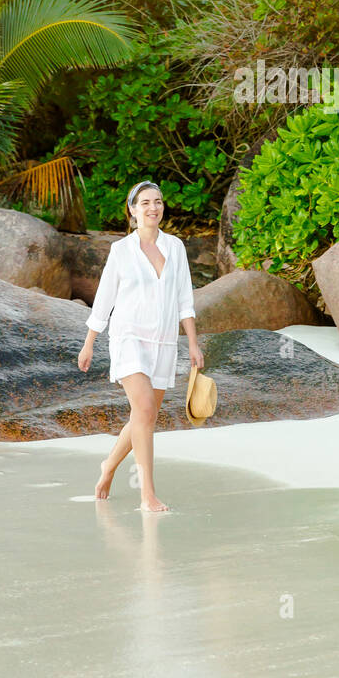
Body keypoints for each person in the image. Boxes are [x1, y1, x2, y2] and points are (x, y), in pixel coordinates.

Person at [77, 180, 204, 511]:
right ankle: (147, 494)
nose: (153, 207)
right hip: (128, 337)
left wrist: (192, 342)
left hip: (163, 342)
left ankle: (109, 466)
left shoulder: (175, 247)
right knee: (145, 409)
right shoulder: (121, 250)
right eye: (145, 202)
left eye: (158, 201)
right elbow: (104, 300)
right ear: (132, 210)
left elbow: (184, 299)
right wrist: (89, 344)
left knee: (144, 416)